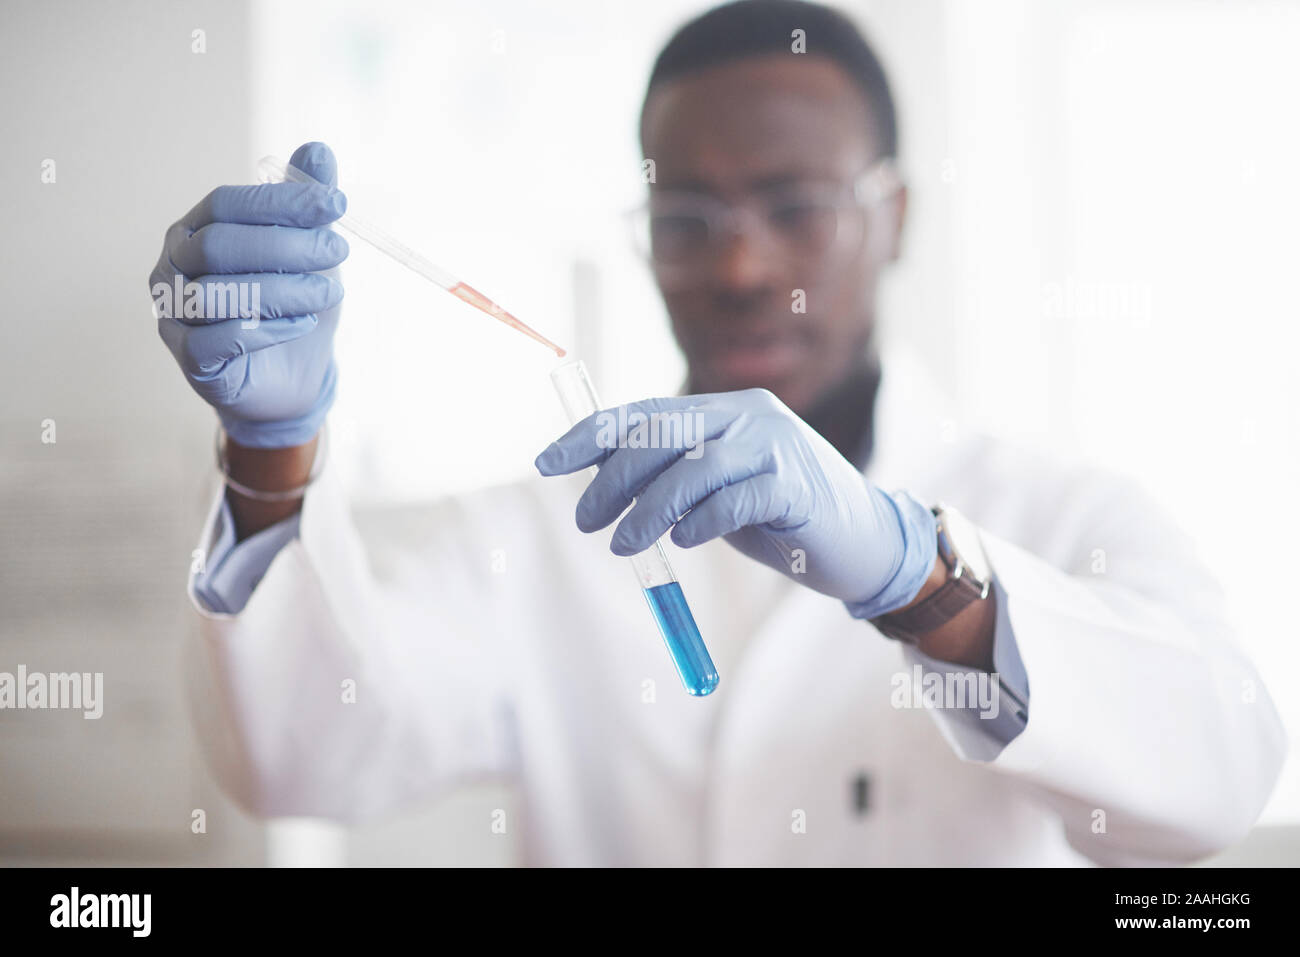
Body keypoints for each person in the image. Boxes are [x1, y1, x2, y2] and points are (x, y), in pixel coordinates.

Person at [150, 0, 1285, 866]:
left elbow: (1216, 780)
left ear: (893, 216)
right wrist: (270, 450)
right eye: (686, 218)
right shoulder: (539, 530)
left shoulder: (1059, 511)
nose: (740, 269)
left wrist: (919, 578)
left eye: (794, 205)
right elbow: (299, 758)